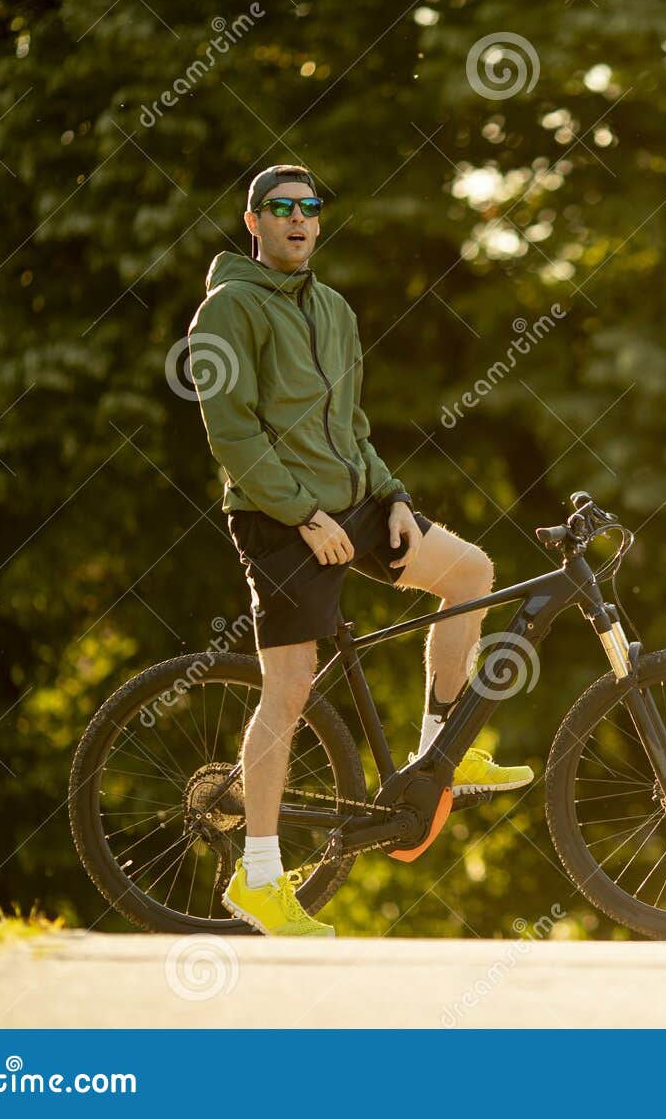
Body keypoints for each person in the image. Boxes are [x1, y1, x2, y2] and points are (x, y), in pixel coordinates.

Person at [186, 164, 532, 937]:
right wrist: (304, 513)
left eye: (310, 208)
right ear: (254, 222)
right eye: (282, 209)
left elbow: (353, 425)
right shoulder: (227, 311)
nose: (299, 220)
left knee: (471, 571)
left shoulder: (334, 309)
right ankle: (260, 875)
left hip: (359, 501)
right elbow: (232, 435)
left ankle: (443, 749)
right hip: (278, 519)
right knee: (291, 686)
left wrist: (395, 495)